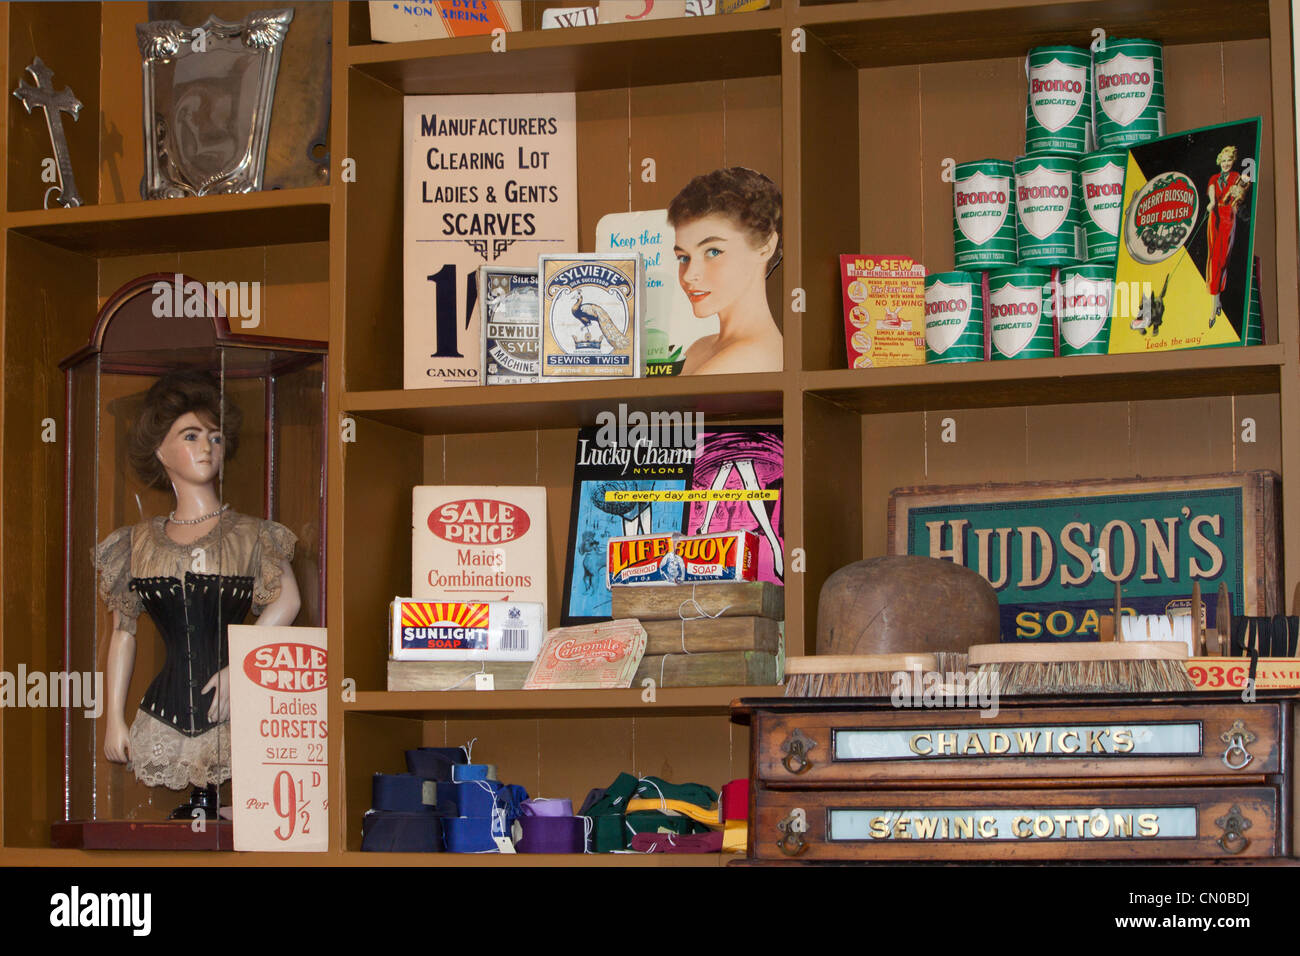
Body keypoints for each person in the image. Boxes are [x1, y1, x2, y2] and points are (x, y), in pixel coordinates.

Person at [94, 369, 300, 819]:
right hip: (163, 712)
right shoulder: (135, 543)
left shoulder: (253, 534)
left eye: (215, 437)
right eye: (190, 435)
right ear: (158, 449)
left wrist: (239, 667)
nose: (206, 448)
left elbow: (288, 601)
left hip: (238, 705)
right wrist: (114, 718)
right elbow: (123, 633)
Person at [668, 167, 783, 374]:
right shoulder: (699, 348)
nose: (688, 275)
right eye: (683, 257)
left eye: (713, 252)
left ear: (764, 247)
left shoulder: (753, 357)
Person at [1205, 144, 1251, 328]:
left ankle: (1216, 301)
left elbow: (1240, 195)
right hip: (1214, 218)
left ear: (1233, 161)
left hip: (1228, 219)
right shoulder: (1214, 177)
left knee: (1222, 260)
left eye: (1229, 160)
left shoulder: (1236, 178)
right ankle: (1215, 302)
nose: (1225, 164)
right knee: (1213, 259)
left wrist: (1239, 191)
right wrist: (1211, 202)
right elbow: (1211, 191)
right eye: (1223, 160)